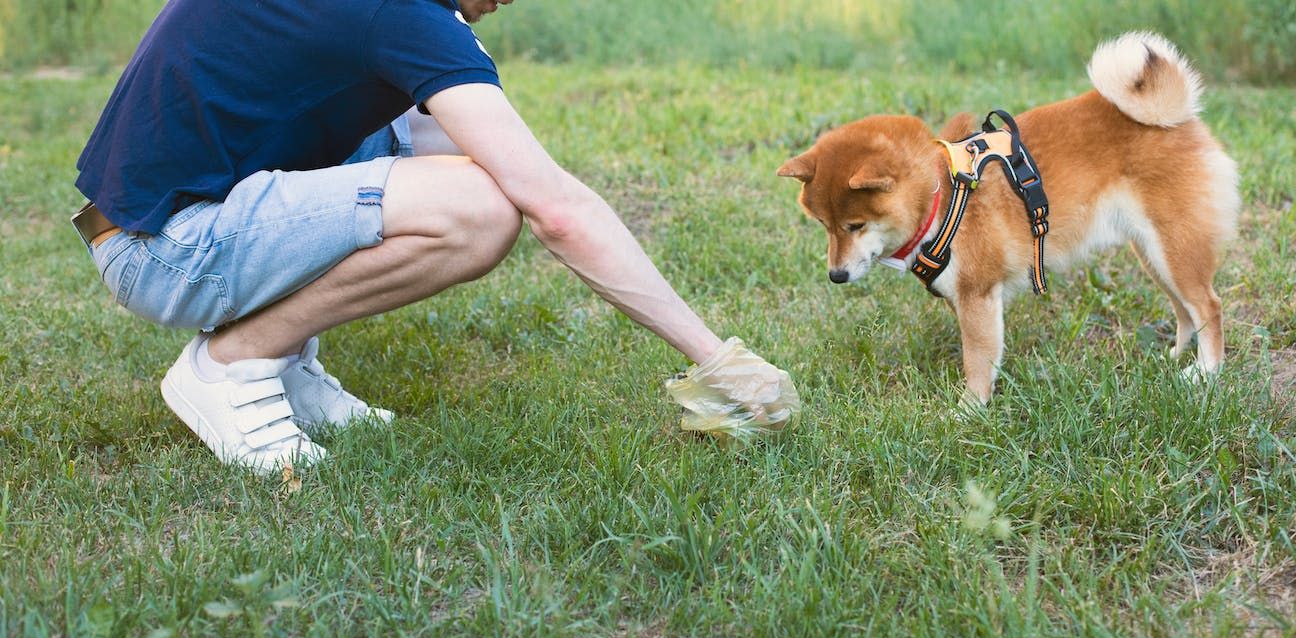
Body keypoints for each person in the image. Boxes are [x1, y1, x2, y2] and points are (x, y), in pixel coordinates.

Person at [72, 0, 798, 474]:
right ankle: (233, 364)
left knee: (439, 153)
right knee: (479, 212)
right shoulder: (399, 13)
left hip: (161, 218)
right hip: (163, 250)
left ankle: (286, 361)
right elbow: (554, 208)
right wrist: (717, 358)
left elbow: (478, 155)